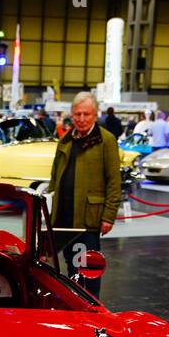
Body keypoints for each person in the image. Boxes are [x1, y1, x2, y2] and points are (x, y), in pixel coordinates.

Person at [47, 91, 122, 297]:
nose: (81, 119)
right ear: (72, 114)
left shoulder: (106, 140)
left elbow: (114, 181)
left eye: (86, 114)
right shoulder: (65, 140)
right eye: (77, 114)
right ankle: (74, 306)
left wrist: (109, 216)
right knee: (71, 268)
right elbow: (55, 176)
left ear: (95, 115)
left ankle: (91, 308)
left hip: (88, 218)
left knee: (88, 269)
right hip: (64, 217)